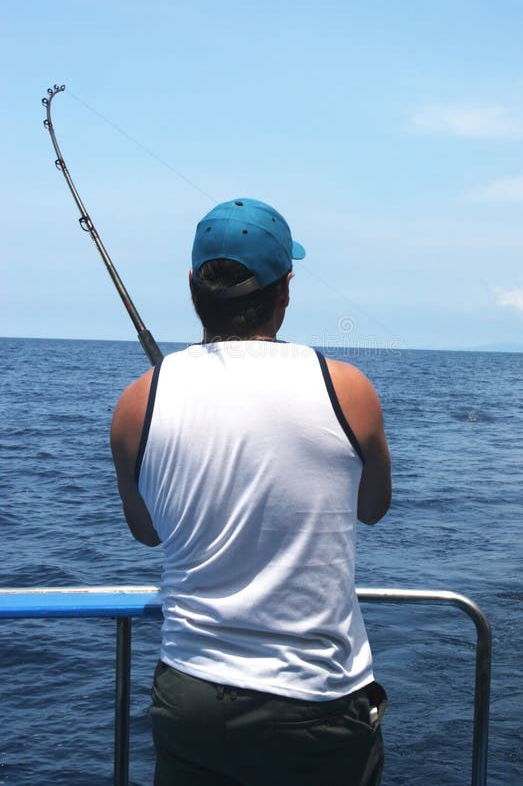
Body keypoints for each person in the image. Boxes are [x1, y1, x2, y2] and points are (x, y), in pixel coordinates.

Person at [111, 197, 392, 786]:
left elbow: (147, 531)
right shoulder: (348, 388)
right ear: (285, 290)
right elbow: (373, 509)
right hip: (318, 699)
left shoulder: (138, 402)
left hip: (193, 697)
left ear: (193, 285)